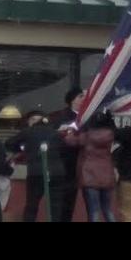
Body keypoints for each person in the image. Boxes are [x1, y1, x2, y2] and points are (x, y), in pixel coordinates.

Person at [5, 110, 67, 221]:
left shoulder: (28, 132)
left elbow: (9, 143)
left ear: (32, 121)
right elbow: (63, 149)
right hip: (57, 172)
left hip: (36, 172)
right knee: (55, 207)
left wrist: (24, 148)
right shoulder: (55, 133)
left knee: (32, 205)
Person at [64, 111, 118, 222]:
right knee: (107, 209)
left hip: (89, 175)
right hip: (107, 175)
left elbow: (69, 141)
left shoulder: (87, 136)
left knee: (94, 210)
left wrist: (70, 130)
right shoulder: (110, 134)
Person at [49, 87, 85, 222]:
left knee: (71, 202)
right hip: (64, 165)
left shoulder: (87, 117)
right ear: (72, 100)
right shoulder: (62, 117)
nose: (83, 99)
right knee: (60, 203)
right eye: (80, 96)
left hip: (79, 166)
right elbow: (55, 138)